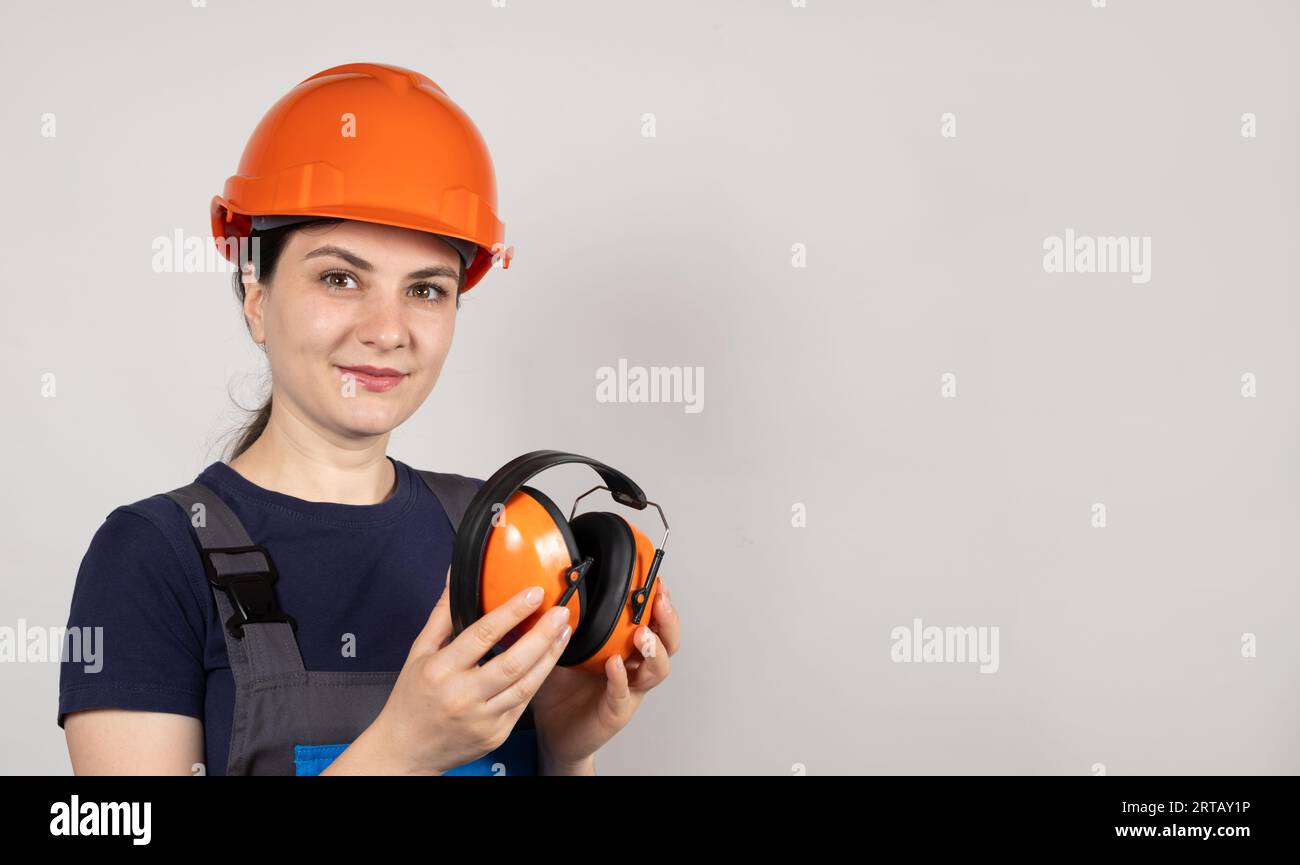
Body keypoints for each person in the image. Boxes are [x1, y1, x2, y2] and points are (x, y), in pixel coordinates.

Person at [57, 63, 680, 776]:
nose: (388, 330)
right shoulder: (150, 558)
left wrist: (564, 752)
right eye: (340, 277)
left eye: (425, 288)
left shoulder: (501, 529)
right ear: (256, 296)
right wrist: (402, 752)